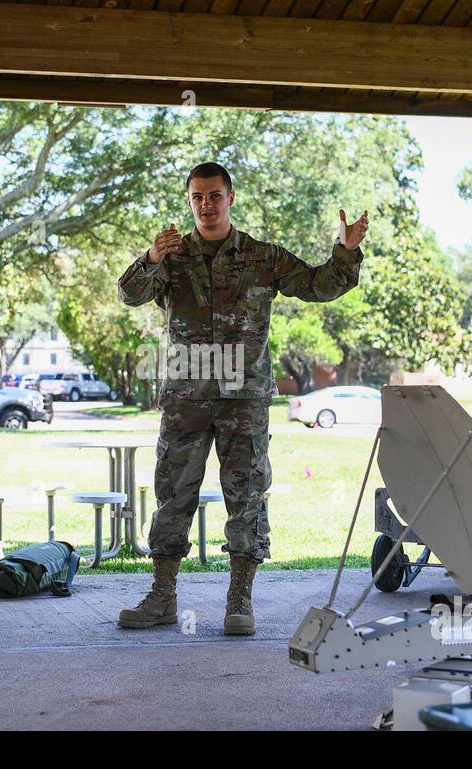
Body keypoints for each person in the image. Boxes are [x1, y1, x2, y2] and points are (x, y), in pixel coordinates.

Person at [118, 162, 368, 634]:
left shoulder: (262, 256)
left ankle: (239, 601)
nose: (206, 205)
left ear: (230, 198)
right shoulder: (172, 255)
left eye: (214, 195)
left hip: (244, 397)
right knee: (173, 496)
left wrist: (346, 251)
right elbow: (130, 293)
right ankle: (162, 595)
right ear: (189, 201)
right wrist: (151, 256)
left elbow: (318, 285)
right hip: (187, 395)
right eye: (197, 197)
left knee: (246, 497)